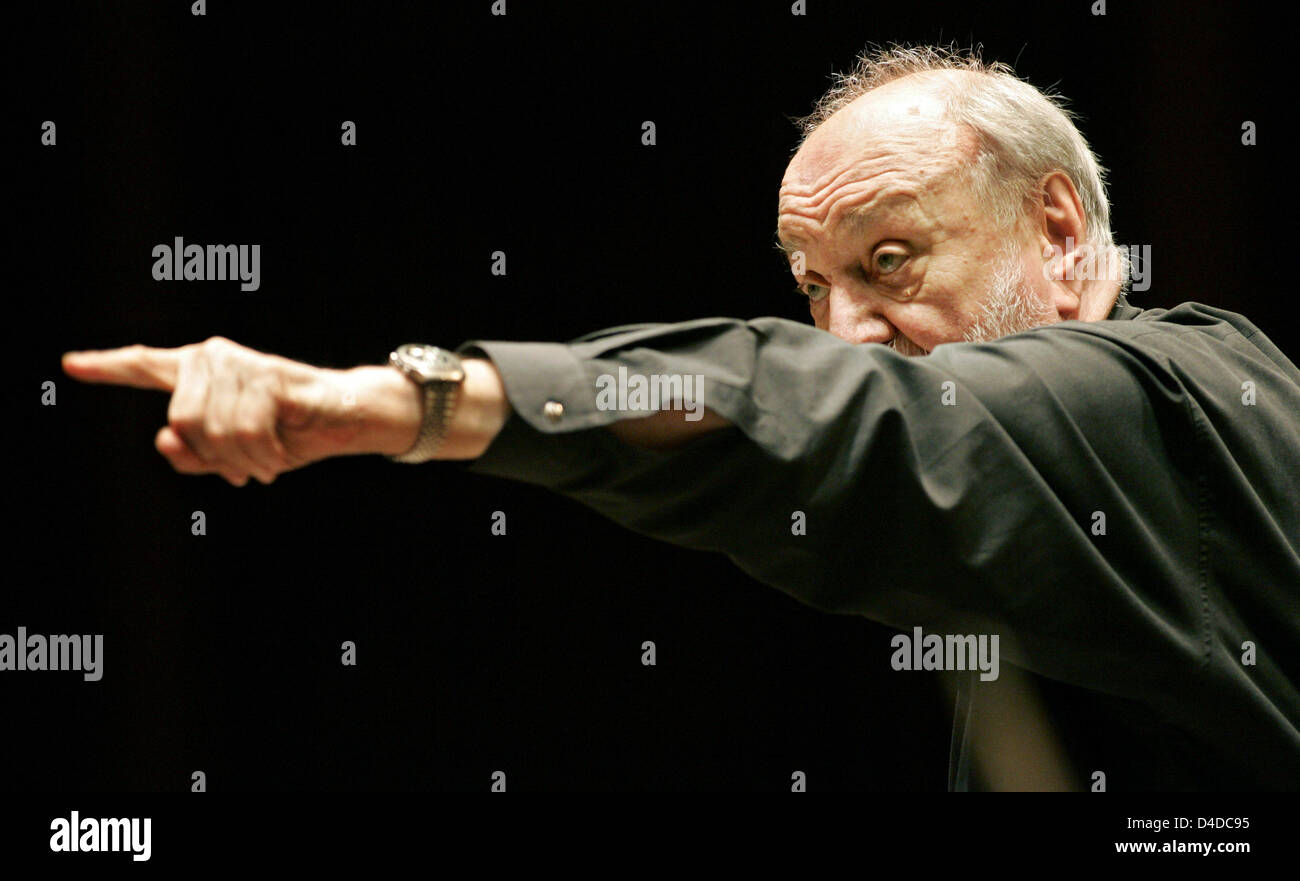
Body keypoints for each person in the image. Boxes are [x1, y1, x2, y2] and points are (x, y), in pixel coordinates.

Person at [61, 45, 1300, 790]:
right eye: (814, 286)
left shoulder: (1158, 394)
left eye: (889, 259)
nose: (847, 331)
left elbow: (805, 406)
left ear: (1060, 231)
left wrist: (404, 401)